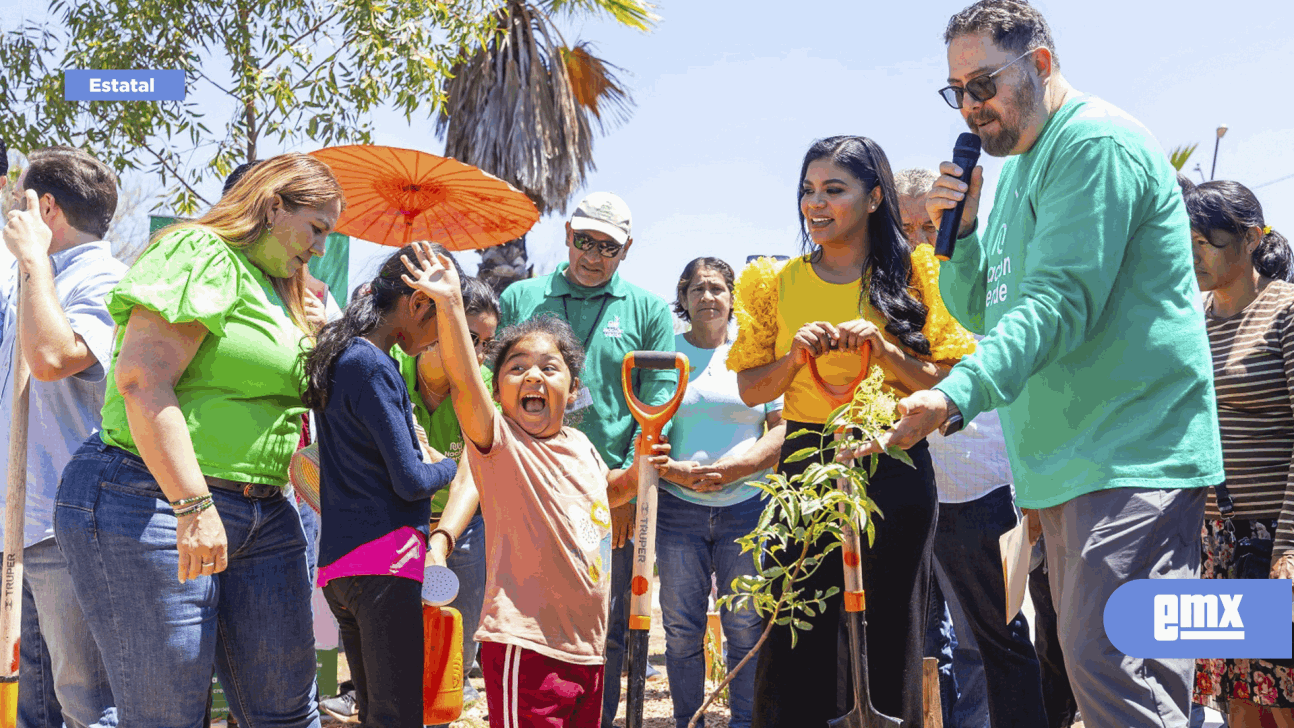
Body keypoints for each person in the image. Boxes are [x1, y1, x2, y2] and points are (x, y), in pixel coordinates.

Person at [877, 3, 1224, 726]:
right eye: (956, 91)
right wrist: (965, 232)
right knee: (1110, 677)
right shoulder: (1016, 172)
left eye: (983, 85)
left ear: (1038, 64)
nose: (970, 107)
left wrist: (957, 393)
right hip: (1066, 470)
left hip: (1131, 458)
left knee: (1116, 674)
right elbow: (983, 309)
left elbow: (1061, 302)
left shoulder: (1093, 144)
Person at [55, 152, 343, 728]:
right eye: (316, 228)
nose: (319, 249)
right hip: (152, 499)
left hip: (265, 510)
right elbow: (142, 380)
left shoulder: (283, 291)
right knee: (167, 717)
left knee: (288, 714)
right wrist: (193, 506)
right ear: (272, 206)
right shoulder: (201, 250)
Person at [728, 135, 977, 727]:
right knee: (798, 629)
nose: (815, 203)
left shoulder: (917, 274)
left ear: (874, 198)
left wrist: (886, 351)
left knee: (889, 627)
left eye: (833, 190)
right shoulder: (773, 281)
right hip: (803, 467)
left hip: (890, 462)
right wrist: (792, 360)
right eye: (808, 190)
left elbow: (947, 380)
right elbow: (752, 390)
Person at [409, 241, 641, 727]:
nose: (533, 375)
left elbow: (611, 492)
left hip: (588, 649)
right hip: (527, 647)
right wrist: (450, 305)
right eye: (516, 368)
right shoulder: (501, 444)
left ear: (572, 391)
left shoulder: (582, 445)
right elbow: (465, 382)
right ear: (497, 391)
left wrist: (644, 465)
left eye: (549, 368)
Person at [495, 191, 676, 727]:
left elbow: (658, 397)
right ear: (568, 234)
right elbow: (496, 387)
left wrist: (625, 489)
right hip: (530, 487)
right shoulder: (522, 296)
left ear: (627, 249)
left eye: (608, 247)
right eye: (585, 241)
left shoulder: (647, 309)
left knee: (605, 621)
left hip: (610, 489)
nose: (593, 256)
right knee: (528, 611)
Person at [893, 167, 1046, 728]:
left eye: (928, 226)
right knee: (921, 643)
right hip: (909, 488)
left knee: (996, 638)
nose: (918, 240)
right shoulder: (883, 293)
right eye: (905, 227)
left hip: (985, 490)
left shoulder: (981, 285)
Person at [301, 243, 459, 727]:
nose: (436, 342)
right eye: (440, 324)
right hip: (386, 564)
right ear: (418, 304)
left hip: (341, 568)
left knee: (375, 712)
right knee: (399, 716)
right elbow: (411, 481)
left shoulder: (343, 356)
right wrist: (451, 467)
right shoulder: (372, 364)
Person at [1, 147, 122, 728]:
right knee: (33, 704)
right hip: (19, 524)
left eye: (20, 202)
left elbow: (53, 359)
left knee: (87, 703)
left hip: (68, 524)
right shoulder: (22, 279)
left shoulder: (106, 280)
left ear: (45, 208)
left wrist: (34, 264)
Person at [643, 257, 786, 728]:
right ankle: (689, 721)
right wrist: (676, 472)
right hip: (677, 510)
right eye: (697, 289)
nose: (707, 297)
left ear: (732, 297)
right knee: (681, 630)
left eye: (717, 288)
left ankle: (745, 722)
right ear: (683, 299)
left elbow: (780, 429)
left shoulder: (753, 353)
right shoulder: (665, 354)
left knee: (744, 626)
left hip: (746, 508)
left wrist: (735, 469)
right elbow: (649, 429)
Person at [1187, 180, 1294, 727]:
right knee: (1239, 696)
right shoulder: (1191, 320)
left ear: (1251, 238)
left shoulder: (1286, 311)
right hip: (1214, 541)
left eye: (1207, 241)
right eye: (1187, 240)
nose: (1194, 254)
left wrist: (1289, 548)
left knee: (1283, 693)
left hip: (1273, 538)